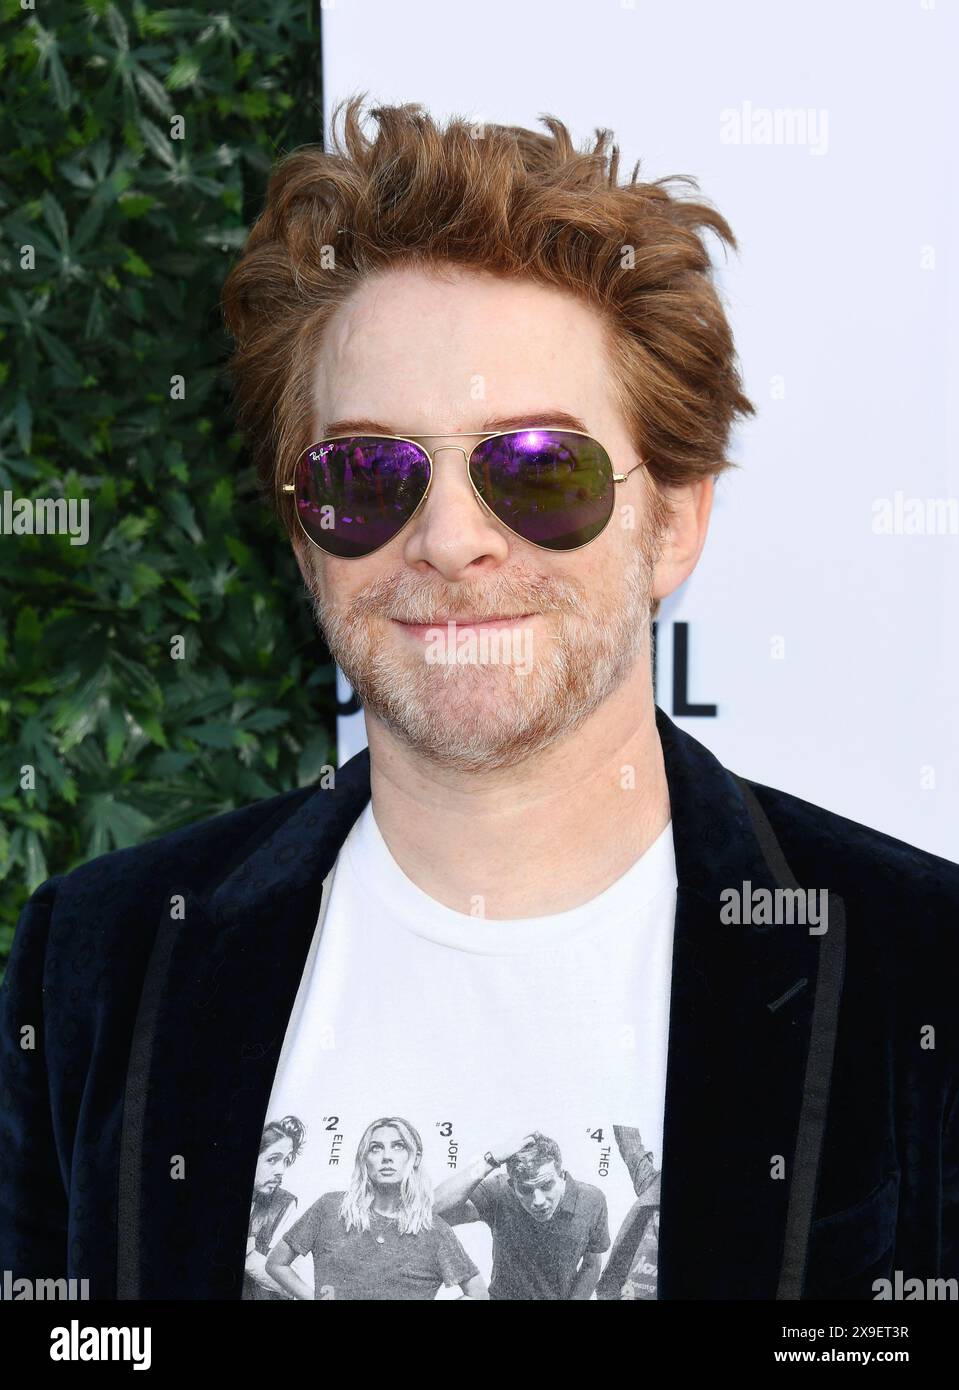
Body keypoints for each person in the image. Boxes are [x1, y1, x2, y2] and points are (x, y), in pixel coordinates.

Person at [1, 96, 957, 1301]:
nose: (451, 540)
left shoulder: (917, 969)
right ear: (306, 540)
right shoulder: (102, 961)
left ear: (671, 521)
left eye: (536, 467)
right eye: (366, 472)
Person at [265, 1117, 487, 1300]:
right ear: (364, 1159)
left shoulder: (433, 1229)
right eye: (376, 1148)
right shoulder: (330, 1207)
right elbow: (276, 1263)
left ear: (415, 1158)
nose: (387, 1157)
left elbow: (478, 1293)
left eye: (398, 1147)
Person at [434, 1133, 610, 1300]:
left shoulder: (591, 1200)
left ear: (561, 1175)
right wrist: (490, 1159)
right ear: (512, 1186)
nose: (538, 1201)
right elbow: (433, 1210)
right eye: (526, 1190)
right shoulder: (500, 1191)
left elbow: (592, 1262)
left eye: (547, 1185)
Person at [243, 1115, 306, 1300]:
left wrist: (248, 1255)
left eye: (286, 1160)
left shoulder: (284, 1204)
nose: (281, 1170)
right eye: (272, 1160)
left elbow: (292, 1285)